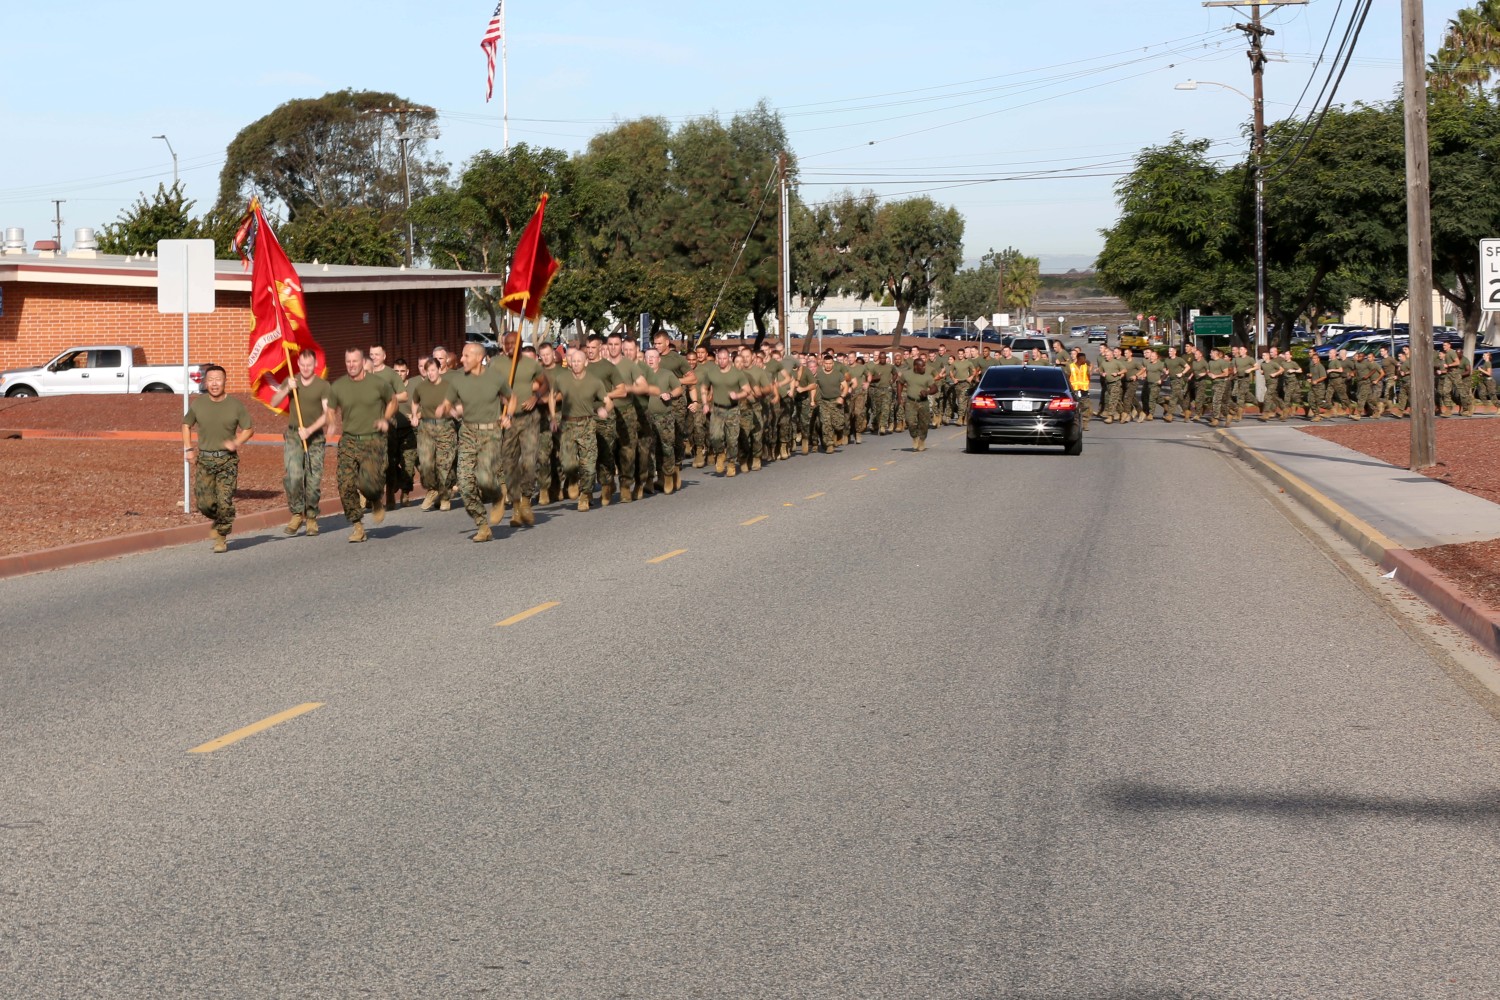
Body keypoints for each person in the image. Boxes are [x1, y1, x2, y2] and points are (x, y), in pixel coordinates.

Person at [181, 364, 254, 553]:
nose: (214, 384)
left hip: (227, 461)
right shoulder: (199, 404)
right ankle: (219, 520)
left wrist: (236, 442)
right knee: (204, 504)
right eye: (211, 380)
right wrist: (188, 449)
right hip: (204, 460)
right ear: (206, 382)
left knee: (224, 501)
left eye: (218, 380)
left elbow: (248, 429)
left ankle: (221, 536)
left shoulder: (235, 405)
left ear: (225, 381)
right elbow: (186, 424)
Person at [328, 347, 397, 543]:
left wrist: (385, 418)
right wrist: (331, 422)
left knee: (370, 485)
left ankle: (375, 499)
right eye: (348, 361)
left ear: (362, 362)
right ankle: (357, 526)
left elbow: (393, 401)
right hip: (349, 440)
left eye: (355, 361)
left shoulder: (377, 383)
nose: (351, 365)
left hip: (373, 440)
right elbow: (331, 408)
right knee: (345, 484)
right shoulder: (338, 386)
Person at [446, 341, 513, 541]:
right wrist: (448, 409)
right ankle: (482, 525)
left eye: (466, 356)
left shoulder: (495, 378)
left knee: (485, 479)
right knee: (465, 484)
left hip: (490, 433)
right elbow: (449, 403)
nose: (462, 359)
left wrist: (508, 415)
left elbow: (511, 398)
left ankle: (498, 495)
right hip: (467, 433)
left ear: (479, 358)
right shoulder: (458, 380)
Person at [268, 350, 331, 537]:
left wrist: (310, 430)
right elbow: (274, 402)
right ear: (298, 364)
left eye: (309, 365)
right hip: (294, 436)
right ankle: (297, 513)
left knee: (313, 480)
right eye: (302, 365)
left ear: (315, 365)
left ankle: (311, 516)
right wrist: (287, 389)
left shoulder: (323, 386)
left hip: (315, 438)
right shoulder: (291, 381)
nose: (305, 368)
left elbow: (328, 415)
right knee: (294, 476)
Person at [497, 332, 551, 525]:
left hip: (529, 418)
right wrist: (500, 399)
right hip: (508, 421)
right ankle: (516, 507)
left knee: (529, 461)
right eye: (507, 343)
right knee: (509, 465)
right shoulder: (496, 364)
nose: (510, 346)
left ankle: (526, 500)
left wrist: (536, 397)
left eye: (514, 343)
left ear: (520, 344)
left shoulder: (531, 365)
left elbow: (545, 384)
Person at [552, 347, 614, 510]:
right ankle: (573, 479)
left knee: (589, 466)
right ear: (569, 363)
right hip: (567, 425)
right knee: (567, 463)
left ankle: (585, 495)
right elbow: (552, 396)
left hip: (587, 425)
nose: (576, 364)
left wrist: (604, 410)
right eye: (573, 361)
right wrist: (553, 417)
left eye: (579, 361)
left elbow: (608, 402)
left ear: (586, 363)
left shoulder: (595, 382)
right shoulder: (561, 378)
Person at [411, 358, 458, 511]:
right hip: (426, 427)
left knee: (444, 465)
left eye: (433, 370)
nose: (430, 373)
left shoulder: (449, 386)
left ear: (439, 369)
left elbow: (458, 405)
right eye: (428, 371)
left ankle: (444, 497)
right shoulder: (421, 387)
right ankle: (432, 489)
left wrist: (451, 410)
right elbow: (415, 402)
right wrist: (414, 415)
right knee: (425, 463)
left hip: (445, 427)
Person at [367, 345, 411, 509]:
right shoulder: (365, 373)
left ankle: (390, 493)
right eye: (371, 354)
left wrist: (387, 397)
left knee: (389, 460)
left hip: (388, 422)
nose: (374, 357)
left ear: (384, 356)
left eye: (377, 354)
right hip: (369, 422)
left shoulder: (390, 374)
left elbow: (404, 395)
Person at [697, 347, 751, 476]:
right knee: (715, 436)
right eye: (720, 359)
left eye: (724, 358)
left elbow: (747, 390)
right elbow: (703, 388)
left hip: (732, 409)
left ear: (729, 359)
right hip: (717, 409)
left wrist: (737, 395)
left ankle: (731, 463)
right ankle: (720, 453)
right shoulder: (712, 373)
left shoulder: (737, 373)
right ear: (717, 359)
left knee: (732, 440)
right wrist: (705, 404)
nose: (722, 361)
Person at [643, 348, 684, 494]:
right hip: (646, 418)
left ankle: (667, 477)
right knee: (648, 450)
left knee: (666, 448)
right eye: (648, 357)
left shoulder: (667, 374)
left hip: (664, 418)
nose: (650, 360)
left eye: (653, 357)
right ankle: (649, 480)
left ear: (659, 359)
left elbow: (679, 389)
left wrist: (670, 394)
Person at [900, 356, 940, 450]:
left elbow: (935, 388)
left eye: (924, 366)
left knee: (924, 423)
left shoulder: (927, 376)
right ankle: (915, 437)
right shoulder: (907, 374)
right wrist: (899, 397)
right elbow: (900, 383)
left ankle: (922, 440)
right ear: (916, 366)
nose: (924, 368)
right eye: (922, 366)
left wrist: (927, 392)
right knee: (910, 422)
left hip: (923, 402)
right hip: (910, 402)